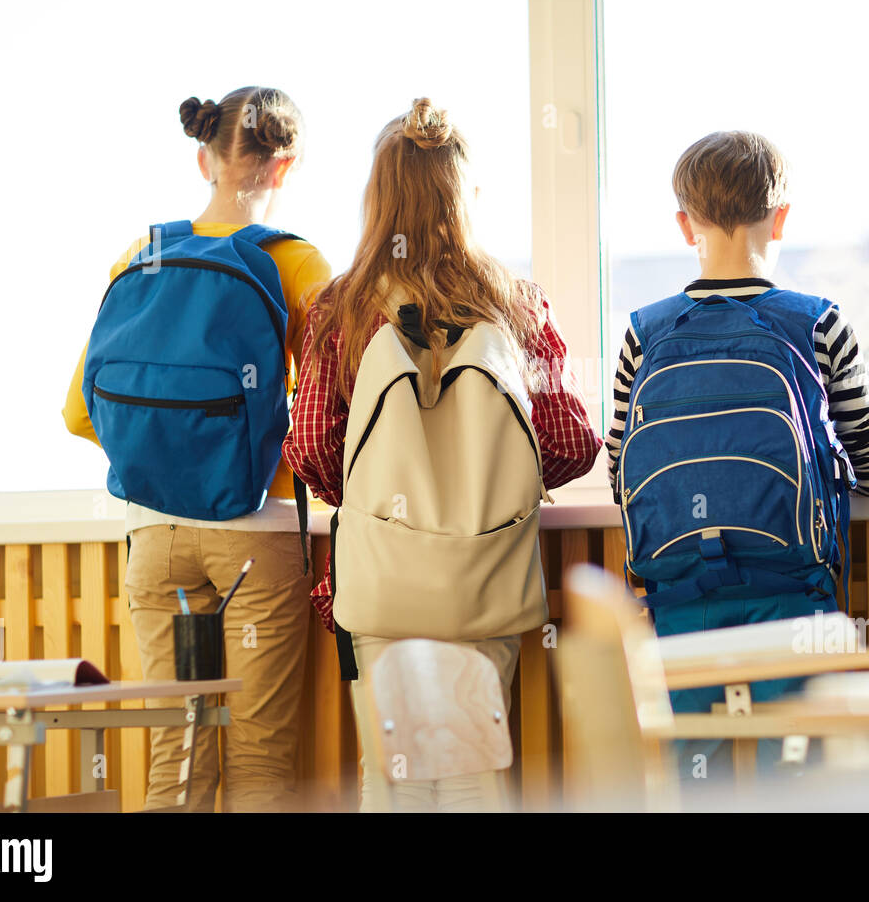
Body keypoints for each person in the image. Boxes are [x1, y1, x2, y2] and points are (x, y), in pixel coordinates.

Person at [284, 97, 601, 811]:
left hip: (382, 579)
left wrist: (382, 489)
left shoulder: (341, 306)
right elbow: (572, 443)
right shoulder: (517, 304)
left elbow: (308, 447)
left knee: (390, 776)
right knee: (470, 774)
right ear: (466, 196)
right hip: (483, 575)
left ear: (377, 197)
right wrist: (486, 482)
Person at [62, 87, 332, 811]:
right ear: (285, 166)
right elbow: (334, 413)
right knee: (259, 761)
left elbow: (78, 412)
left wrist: (166, 457)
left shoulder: (141, 252)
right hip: (257, 532)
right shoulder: (295, 262)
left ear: (206, 157)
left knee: (176, 756)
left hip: (153, 538)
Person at [605, 130, 869, 786]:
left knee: (693, 779)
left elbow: (619, 467)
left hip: (678, 603)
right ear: (782, 217)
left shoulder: (643, 333)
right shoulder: (818, 323)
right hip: (793, 599)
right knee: (797, 782)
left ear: (685, 225)